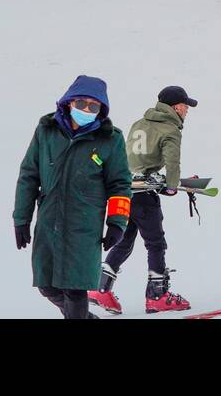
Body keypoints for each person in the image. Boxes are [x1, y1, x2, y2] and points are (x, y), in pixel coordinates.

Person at [13, 75, 132, 319]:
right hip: (49, 223)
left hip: (84, 226)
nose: (86, 110)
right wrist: (21, 218)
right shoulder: (46, 131)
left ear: (101, 110)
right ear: (68, 102)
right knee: (47, 285)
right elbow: (29, 175)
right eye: (81, 103)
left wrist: (117, 223)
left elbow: (120, 185)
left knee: (76, 289)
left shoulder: (110, 139)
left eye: (93, 106)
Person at [90, 85, 197, 315]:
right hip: (144, 197)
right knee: (156, 243)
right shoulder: (170, 129)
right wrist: (170, 186)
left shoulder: (139, 123)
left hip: (124, 191)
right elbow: (173, 163)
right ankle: (157, 295)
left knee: (124, 241)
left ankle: (100, 289)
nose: (187, 110)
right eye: (185, 106)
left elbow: (130, 156)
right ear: (176, 107)